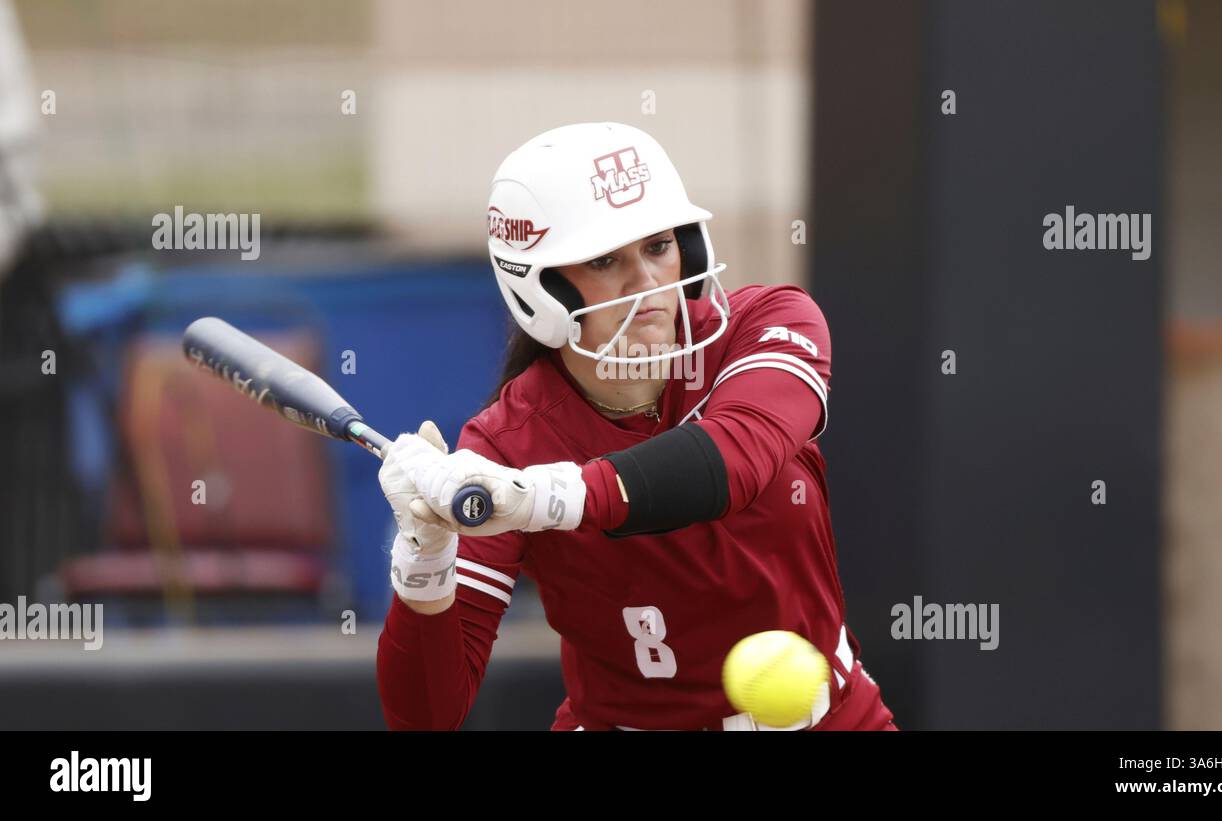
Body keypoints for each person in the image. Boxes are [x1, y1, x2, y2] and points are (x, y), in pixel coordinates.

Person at [375, 122, 897, 731]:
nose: (648, 284)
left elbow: (732, 463)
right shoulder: (504, 446)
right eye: (604, 260)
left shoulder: (765, 323)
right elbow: (425, 718)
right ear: (540, 288)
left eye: (658, 247)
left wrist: (548, 496)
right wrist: (424, 558)